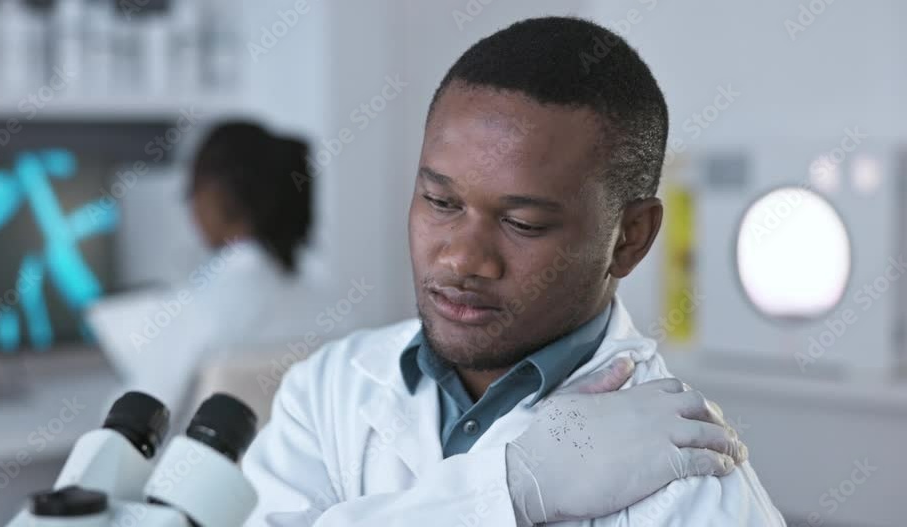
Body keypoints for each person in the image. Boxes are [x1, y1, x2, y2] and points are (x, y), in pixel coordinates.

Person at [241, 16, 784, 526]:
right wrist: (508, 487)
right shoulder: (330, 390)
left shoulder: (688, 482)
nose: (463, 258)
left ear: (630, 237)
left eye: (522, 223)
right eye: (440, 201)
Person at [87, 122, 320, 416]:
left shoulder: (198, 311)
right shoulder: (334, 309)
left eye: (191, 193)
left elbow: (130, 428)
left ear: (212, 194)